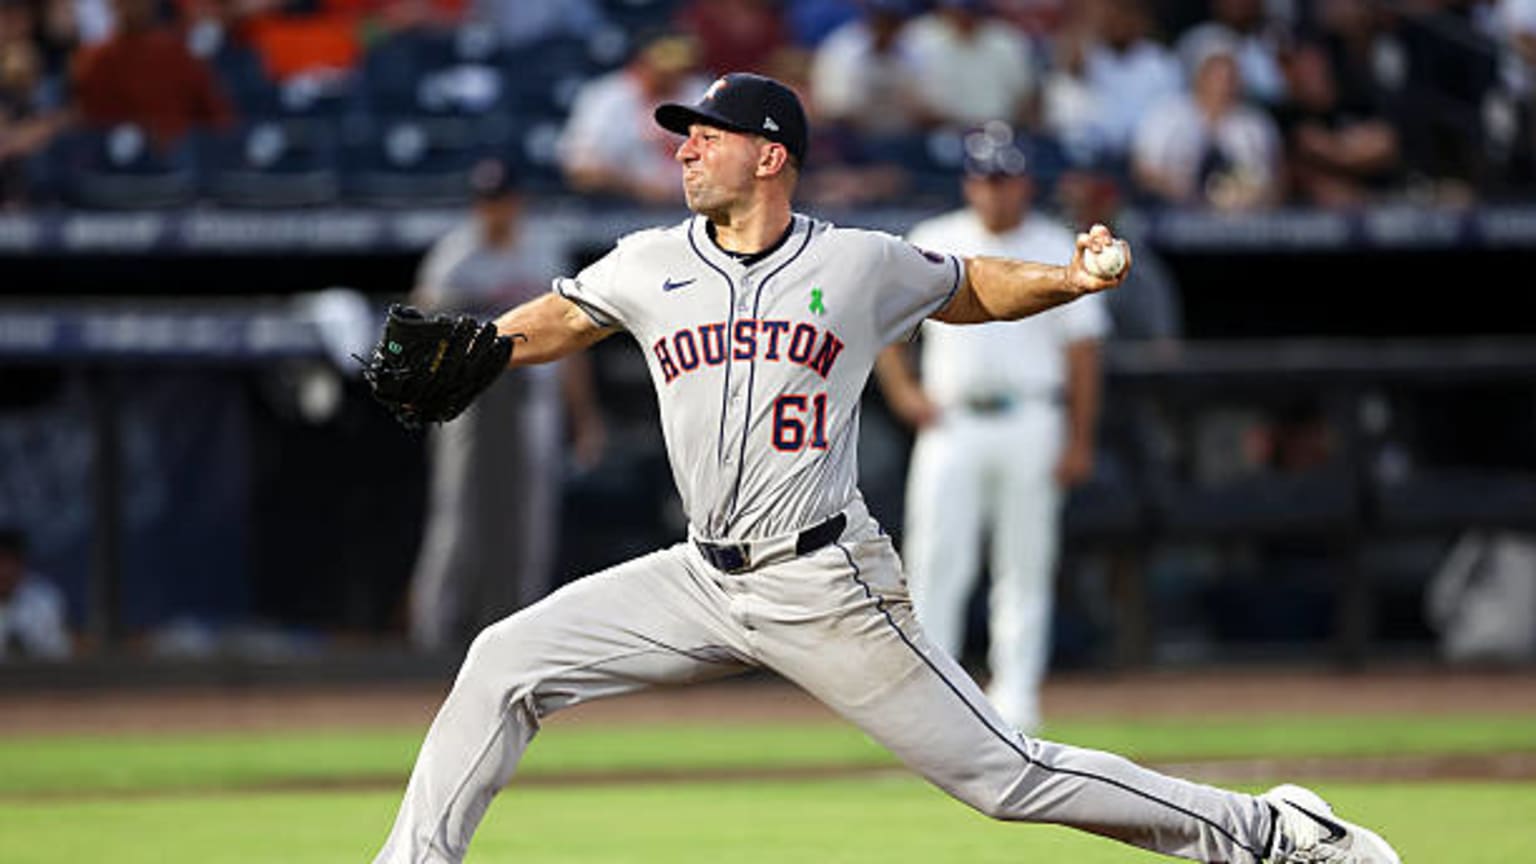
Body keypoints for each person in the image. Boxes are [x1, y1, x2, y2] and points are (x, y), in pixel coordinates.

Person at [369, 72, 1401, 864]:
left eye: (708, 136)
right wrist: (490, 343)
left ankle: (1270, 832)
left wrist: (1072, 281)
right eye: (684, 135)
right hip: (697, 576)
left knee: (1008, 776)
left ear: (771, 156)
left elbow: (971, 284)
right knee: (504, 662)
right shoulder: (650, 260)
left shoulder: (852, 262)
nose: (685, 149)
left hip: (823, 580)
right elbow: (568, 314)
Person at [873, 123, 1109, 733]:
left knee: (1025, 565)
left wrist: (1080, 439)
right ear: (969, 182)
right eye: (985, 178)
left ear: (1025, 183)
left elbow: (1084, 355)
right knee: (935, 565)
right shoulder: (936, 239)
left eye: (1005, 178)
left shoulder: (1060, 245)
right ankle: (935, 707)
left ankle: (1018, 704)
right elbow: (880, 324)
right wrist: (903, 393)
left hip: (1033, 414)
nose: (995, 191)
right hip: (953, 419)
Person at [407, 158, 604, 652]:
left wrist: (583, 418)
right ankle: (434, 636)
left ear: (518, 201)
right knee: (457, 519)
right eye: (487, 201)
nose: (496, 210)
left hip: (531, 398)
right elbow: (420, 340)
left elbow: (574, 341)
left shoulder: (544, 250)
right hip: (469, 401)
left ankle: (521, 634)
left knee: (530, 519)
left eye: (503, 199)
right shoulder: (455, 256)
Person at [558, 29, 706, 204]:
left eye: (679, 67)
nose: (673, 75)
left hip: (693, 208)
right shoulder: (605, 97)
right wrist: (635, 186)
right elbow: (579, 170)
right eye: (664, 67)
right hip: (621, 207)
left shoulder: (702, 92)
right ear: (640, 63)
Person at [70, 0, 232, 147]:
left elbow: (218, 120)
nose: (131, 7)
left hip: (179, 165)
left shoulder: (178, 53)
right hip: (115, 164)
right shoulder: (96, 59)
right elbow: (89, 122)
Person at [0, 527, 72, 661]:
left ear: (21, 564)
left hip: (36, 678)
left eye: (9, 563)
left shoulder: (45, 599)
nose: (4, 572)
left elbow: (59, 654)